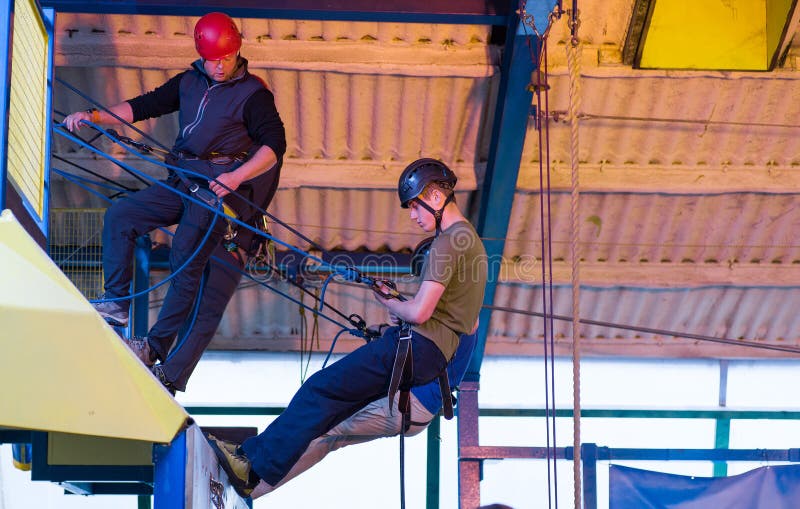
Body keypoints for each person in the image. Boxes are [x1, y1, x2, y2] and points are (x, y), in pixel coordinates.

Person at [206, 158, 488, 497]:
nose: (413, 216)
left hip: (416, 350)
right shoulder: (472, 244)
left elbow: (420, 311)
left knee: (320, 390)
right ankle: (249, 463)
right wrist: (400, 310)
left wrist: (392, 304)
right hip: (427, 355)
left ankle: (250, 468)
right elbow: (451, 318)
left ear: (436, 196)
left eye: (415, 206)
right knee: (330, 408)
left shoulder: (448, 240)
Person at [63, 12, 286, 368]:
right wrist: (93, 116)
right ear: (201, 55)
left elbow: (274, 146)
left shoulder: (253, 94)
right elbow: (143, 106)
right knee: (122, 215)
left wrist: (236, 177)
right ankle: (117, 301)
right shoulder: (188, 82)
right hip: (182, 178)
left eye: (227, 58)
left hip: (214, 190)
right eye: (213, 59)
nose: (220, 66)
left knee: (184, 256)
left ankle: (154, 348)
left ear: (237, 51)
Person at [247, 330, 478, 498]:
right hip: (416, 411)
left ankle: (250, 478)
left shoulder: (457, 321)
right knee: (329, 438)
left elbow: (418, 342)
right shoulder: (462, 324)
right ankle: (253, 487)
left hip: (409, 402)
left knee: (320, 424)